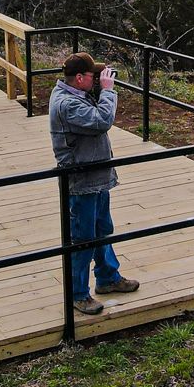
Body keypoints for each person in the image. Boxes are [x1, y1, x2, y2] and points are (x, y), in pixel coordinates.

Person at [49, 51, 140, 315]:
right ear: (79, 78)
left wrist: (100, 86)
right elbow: (101, 121)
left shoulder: (77, 94)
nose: (99, 80)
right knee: (82, 239)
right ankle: (78, 294)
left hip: (96, 176)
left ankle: (108, 277)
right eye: (94, 76)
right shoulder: (68, 104)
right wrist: (109, 91)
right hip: (81, 181)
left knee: (102, 229)